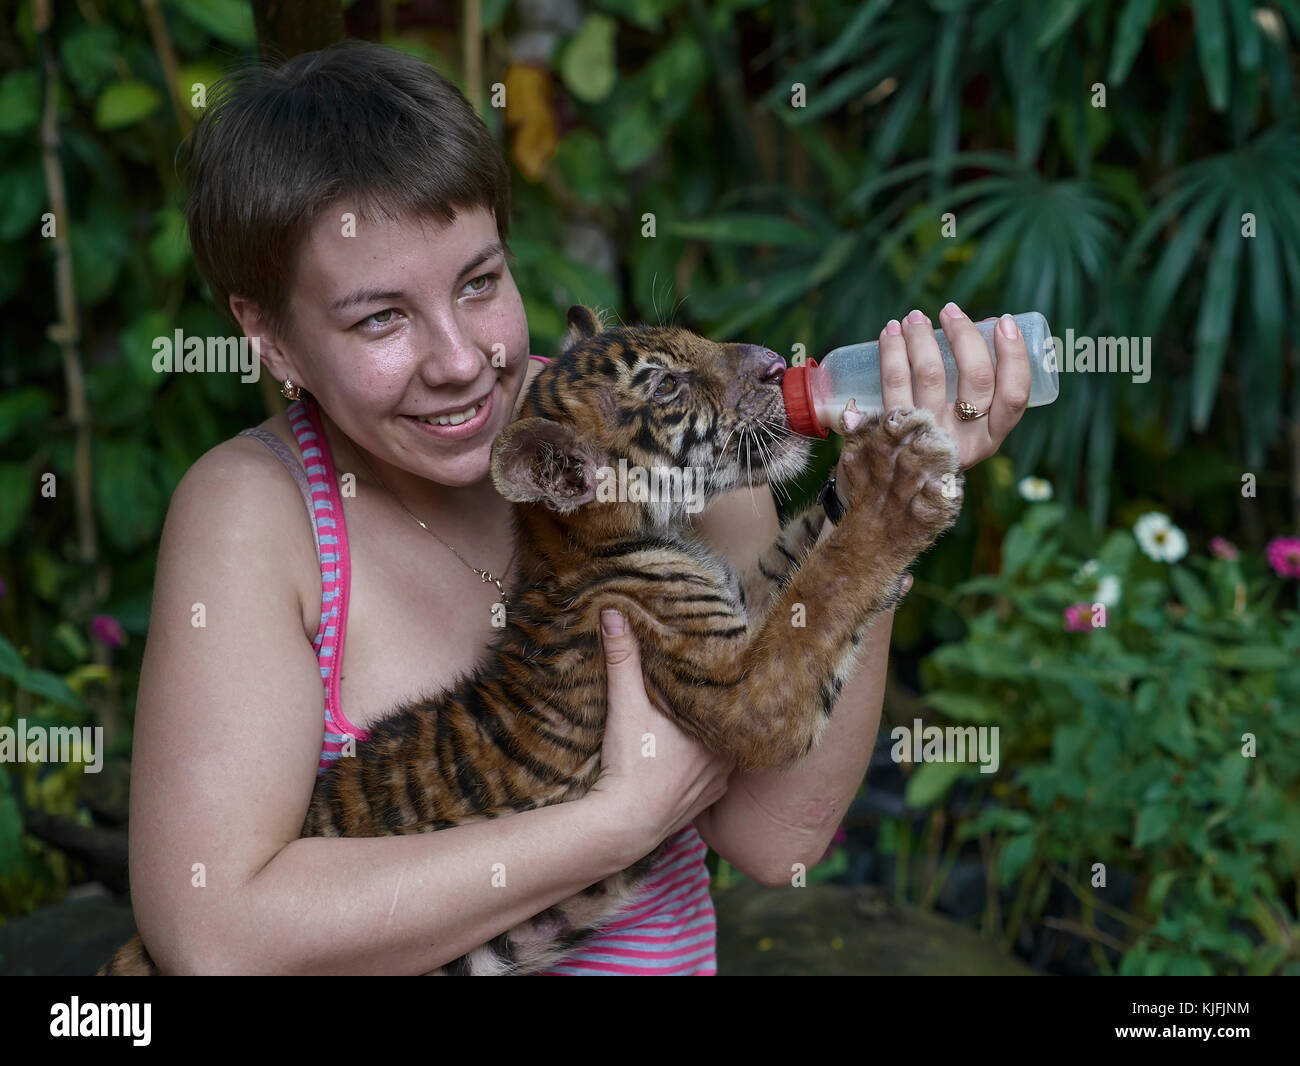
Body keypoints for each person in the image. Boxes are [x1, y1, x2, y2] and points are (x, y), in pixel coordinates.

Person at [125, 40, 1031, 975]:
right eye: (380, 318)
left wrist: (880, 507)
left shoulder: (656, 434)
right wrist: (617, 824)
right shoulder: (257, 512)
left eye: (479, 283)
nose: (461, 360)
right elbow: (212, 939)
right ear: (269, 337)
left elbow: (777, 837)